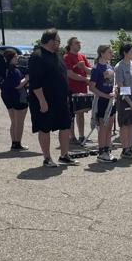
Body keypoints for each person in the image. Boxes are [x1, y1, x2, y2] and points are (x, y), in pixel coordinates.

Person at [28, 29, 79, 167]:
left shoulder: (57, 55)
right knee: (44, 128)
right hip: (44, 100)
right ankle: (47, 158)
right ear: (50, 41)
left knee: (65, 126)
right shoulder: (37, 56)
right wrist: (42, 101)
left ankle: (64, 155)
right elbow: (35, 82)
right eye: (58, 41)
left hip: (61, 99)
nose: (59, 43)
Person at [115, 42, 132, 159]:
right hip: (125, 97)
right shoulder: (119, 66)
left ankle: (130, 147)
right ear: (125, 53)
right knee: (124, 124)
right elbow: (121, 86)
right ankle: (125, 149)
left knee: (131, 123)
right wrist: (130, 103)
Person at [89, 45, 117, 163]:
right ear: (102, 53)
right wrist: (105, 95)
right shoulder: (96, 68)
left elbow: (113, 83)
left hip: (111, 100)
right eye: (109, 52)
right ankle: (101, 152)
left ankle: (107, 149)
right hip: (102, 100)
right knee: (103, 127)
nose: (111, 54)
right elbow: (91, 87)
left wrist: (114, 90)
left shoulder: (110, 66)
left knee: (109, 126)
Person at [63, 37, 92, 146]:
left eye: (79, 42)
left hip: (82, 89)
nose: (79, 44)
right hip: (71, 89)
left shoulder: (82, 56)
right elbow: (69, 73)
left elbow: (90, 71)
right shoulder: (66, 57)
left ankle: (81, 136)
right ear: (70, 45)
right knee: (71, 114)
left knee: (81, 113)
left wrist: (83, 67)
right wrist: (84, 79)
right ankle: (72, 136)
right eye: (76, 43)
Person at [0, 49, 29, 151]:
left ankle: (14, 143)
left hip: (7, 96)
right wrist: (27, 78)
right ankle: (17, 143)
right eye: (15, 57)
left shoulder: (3, 69)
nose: (17, 58)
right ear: (11, 58)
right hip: (18, 97)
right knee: (19, 122)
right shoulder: (15, 70)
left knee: (13, 121)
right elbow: (18, 85)